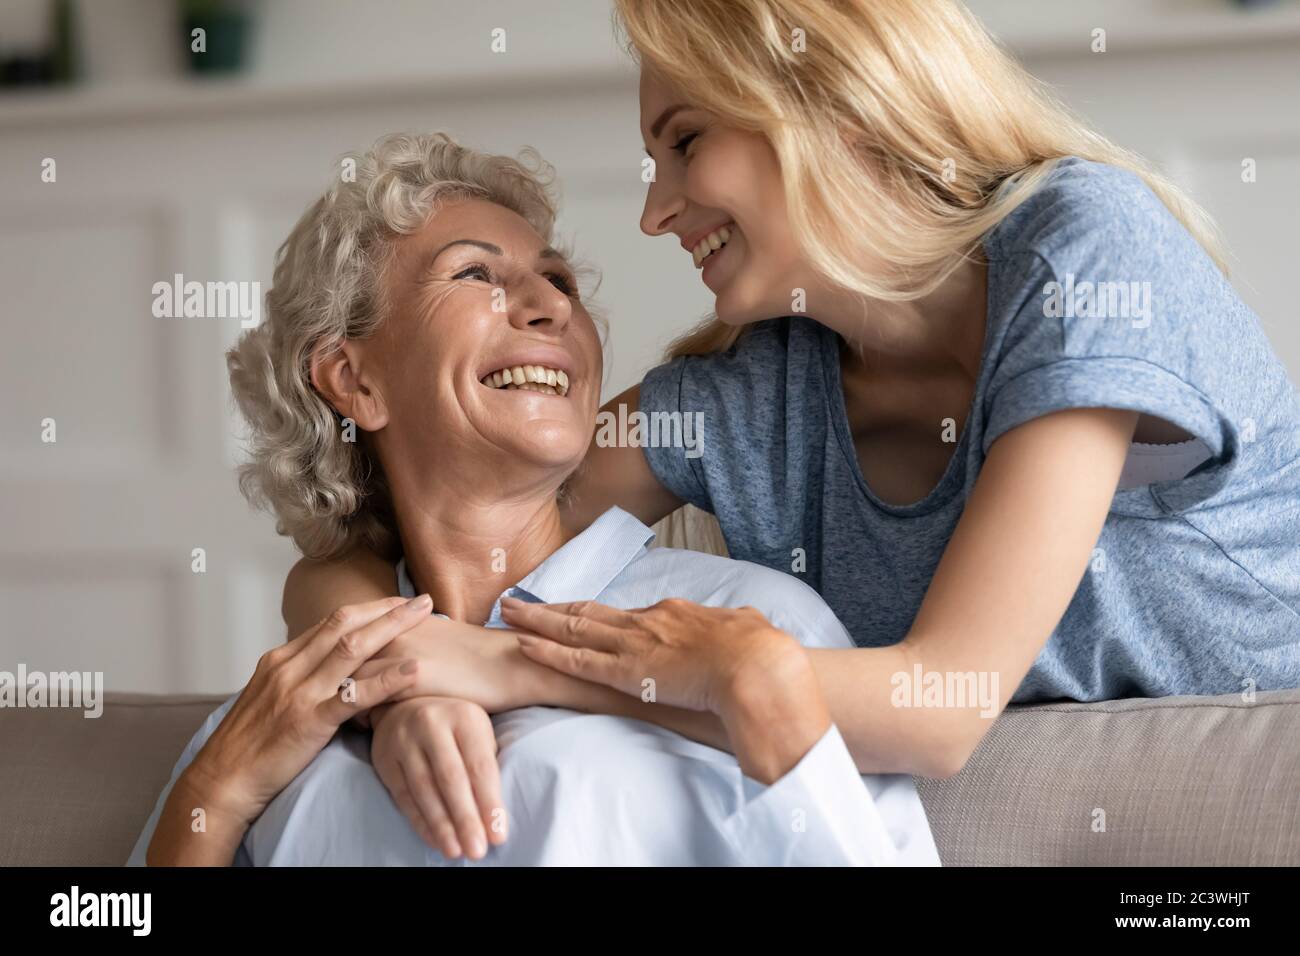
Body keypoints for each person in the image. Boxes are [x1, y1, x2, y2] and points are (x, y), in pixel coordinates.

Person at [282, 0, 1300, 856]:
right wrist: (407, 690)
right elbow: (372, 543)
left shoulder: (1081, 250)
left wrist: (499, 667)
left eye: (685, 142)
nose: (654, 211)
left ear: (833, 101)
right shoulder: (751, 397)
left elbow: (941, 709)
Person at [128, 131, 939, 866]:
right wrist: (215, 790)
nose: (551, 305)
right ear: (354, 381)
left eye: (558, 280)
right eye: (475, 274)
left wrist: (759, 690)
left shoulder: (752, 625)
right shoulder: (291, 700)